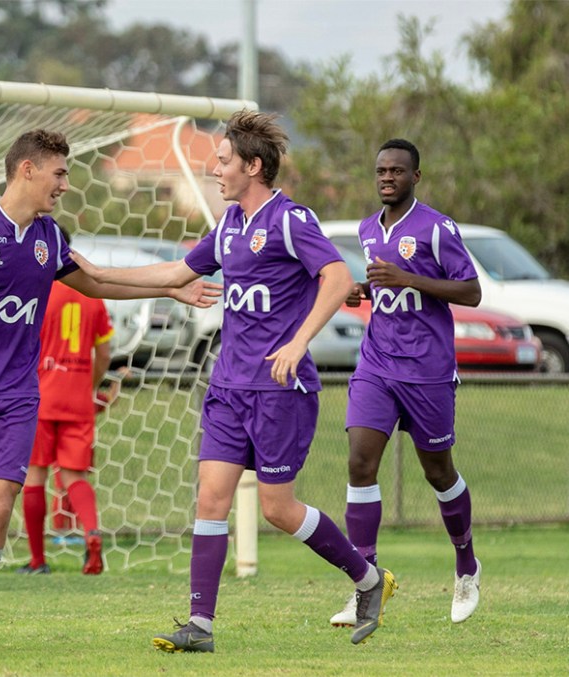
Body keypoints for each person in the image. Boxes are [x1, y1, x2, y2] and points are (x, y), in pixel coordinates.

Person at [0, 129, 220, 655]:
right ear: (27, 170)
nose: (65, 184)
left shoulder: (49, 239)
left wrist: (170, 286)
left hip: (16, 397)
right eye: (59, 173)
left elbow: (98, 280)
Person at [71, 110, 396, 652]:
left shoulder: (291, 220)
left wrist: (296, 344)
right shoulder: (228, 226)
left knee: (277, 508)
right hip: (227, 389)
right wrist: (98, 275)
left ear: (252, 165)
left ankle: (368, 580)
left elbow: (338, 279)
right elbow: (177, 274)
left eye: (223, 161)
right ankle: (200, 627)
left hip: (279, 391)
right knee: (211, 499)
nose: (214, 169)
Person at [329, 139, 481, 628]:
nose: (386, 177)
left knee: (438, 472)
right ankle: (367, 582)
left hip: (428, 372)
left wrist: (409, 278)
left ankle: (466, 566)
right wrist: (364, 288)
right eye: (380, 170)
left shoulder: (437, 229)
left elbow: (472, 291)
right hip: (377, 364)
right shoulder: (367, 229)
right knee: (359, 461)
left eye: (396, 170)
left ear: (416, 176)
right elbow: (384, 282)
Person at [17, 268, 115, 576]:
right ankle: (92, 534)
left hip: (41, 396)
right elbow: (104, 354)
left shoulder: (39, 290)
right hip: (78, 400)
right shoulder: (93, 296)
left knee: (35, 477)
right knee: (75, 477)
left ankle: (37, 560)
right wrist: (89, 386)